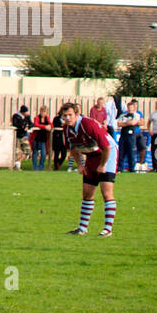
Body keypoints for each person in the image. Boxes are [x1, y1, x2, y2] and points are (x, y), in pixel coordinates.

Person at [59, 101, 118, 236]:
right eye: (65, 116)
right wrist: (80, 165)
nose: (68, 118)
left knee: (106, 192)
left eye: (70, 115)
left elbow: (107, 147)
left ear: (77, 114)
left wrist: (102, 166)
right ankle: (82, 229)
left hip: (107, 155)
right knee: (87, 192)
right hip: (91, 156)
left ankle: (107, 229)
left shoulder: (88, 124)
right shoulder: (67, 129)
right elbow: (72, 148)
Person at [116, 99, 143, 174]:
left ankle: (132, 168)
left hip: (131, 135)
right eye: (129, 107)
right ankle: (120, 168)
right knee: (121, 152)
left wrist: (125, 123)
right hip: (123, 134)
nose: (130, 109)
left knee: (131, 152)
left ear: (134, 108)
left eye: (131, 108)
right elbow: (119, 124)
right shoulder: (123, 115)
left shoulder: (136, 115)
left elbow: (134, 122)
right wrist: (128, 123)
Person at [31, 106, 52, 171]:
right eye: (42, 111)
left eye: (44, 112)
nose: (43, 113)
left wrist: (49, 126)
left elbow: (51, 124)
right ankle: (35, 167)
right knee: (35, 152)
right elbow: (36, 124)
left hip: (43, 138)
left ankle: (41, 167)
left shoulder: (47, 118)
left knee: (44, 153)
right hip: (36, 137)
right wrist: (44, 126)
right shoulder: (36, 118)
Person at [11, 105, 32, 170]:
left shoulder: (27, 117)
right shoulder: (16, 116)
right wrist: (23, 127)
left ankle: (18, 162)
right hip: (17, 136)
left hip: (23, 136)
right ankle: (16, 167)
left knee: (28, 151)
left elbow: (31, 124)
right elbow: (15, 124)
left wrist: (28, 127)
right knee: (16, 152)